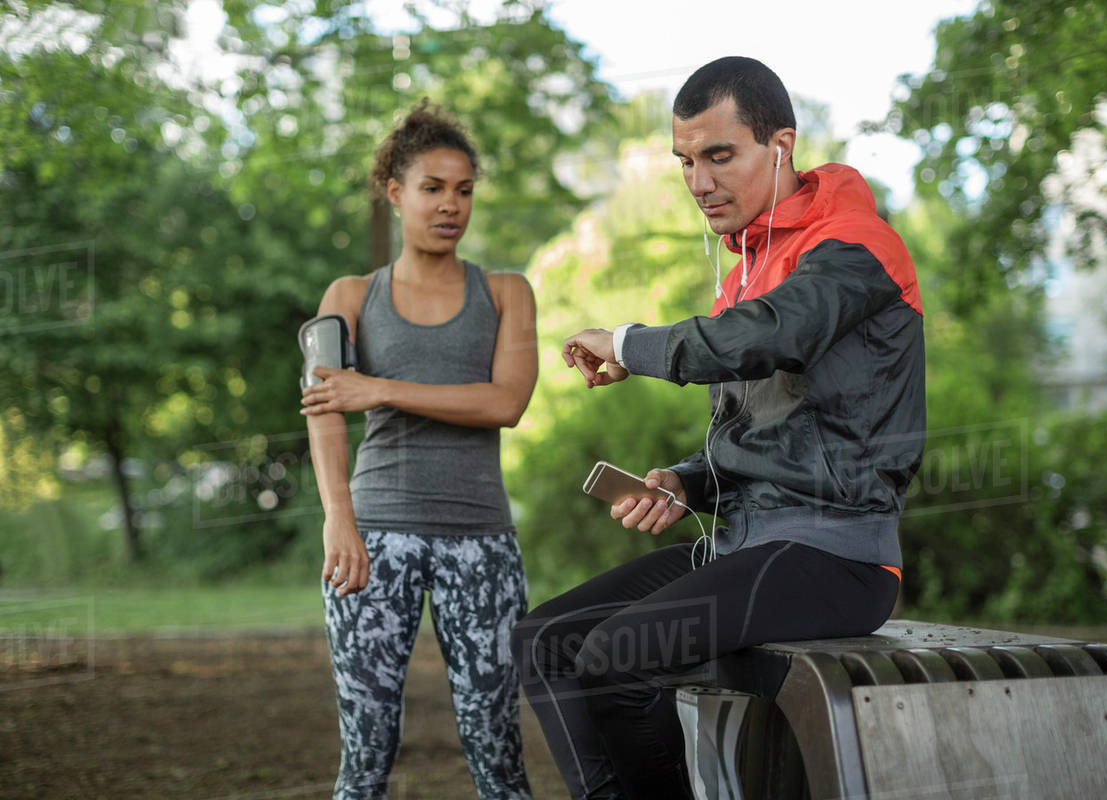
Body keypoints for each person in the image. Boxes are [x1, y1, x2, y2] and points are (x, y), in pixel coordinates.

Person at [510, 56, 925, 799]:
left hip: (838, 560)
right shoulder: (748, 266)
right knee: (545, 641)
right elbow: (774, 430)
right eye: (685, 160)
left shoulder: (855, 245)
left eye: (719, 155)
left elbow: (768, 339)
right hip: (744, 542)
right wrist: (686, 481)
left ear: (781, 146)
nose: (698, 180)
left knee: (616, 654)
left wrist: (631, 344)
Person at [301, 99, 538, 800]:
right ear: (394, 190)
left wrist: (378, 387)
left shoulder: (504, 292)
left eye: (463, 190)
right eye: (432, 188)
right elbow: (323, 407)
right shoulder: (347, 295)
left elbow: (506, 403)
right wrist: (336, 516)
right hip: (371, 540)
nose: (450, 206)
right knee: (366, 755)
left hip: (481, 543)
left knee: (497, 750)